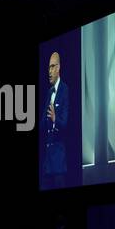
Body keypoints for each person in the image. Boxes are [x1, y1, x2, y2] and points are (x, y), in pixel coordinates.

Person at [42, 50, 69, 188]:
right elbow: (42, 122)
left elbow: (65, 124)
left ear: (58, 68)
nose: (49, 71)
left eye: (52, 67)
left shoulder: (65, 90)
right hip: (47, 158)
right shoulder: (49, 92)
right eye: (48, 67)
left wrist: (54, 118)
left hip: (58, 158)